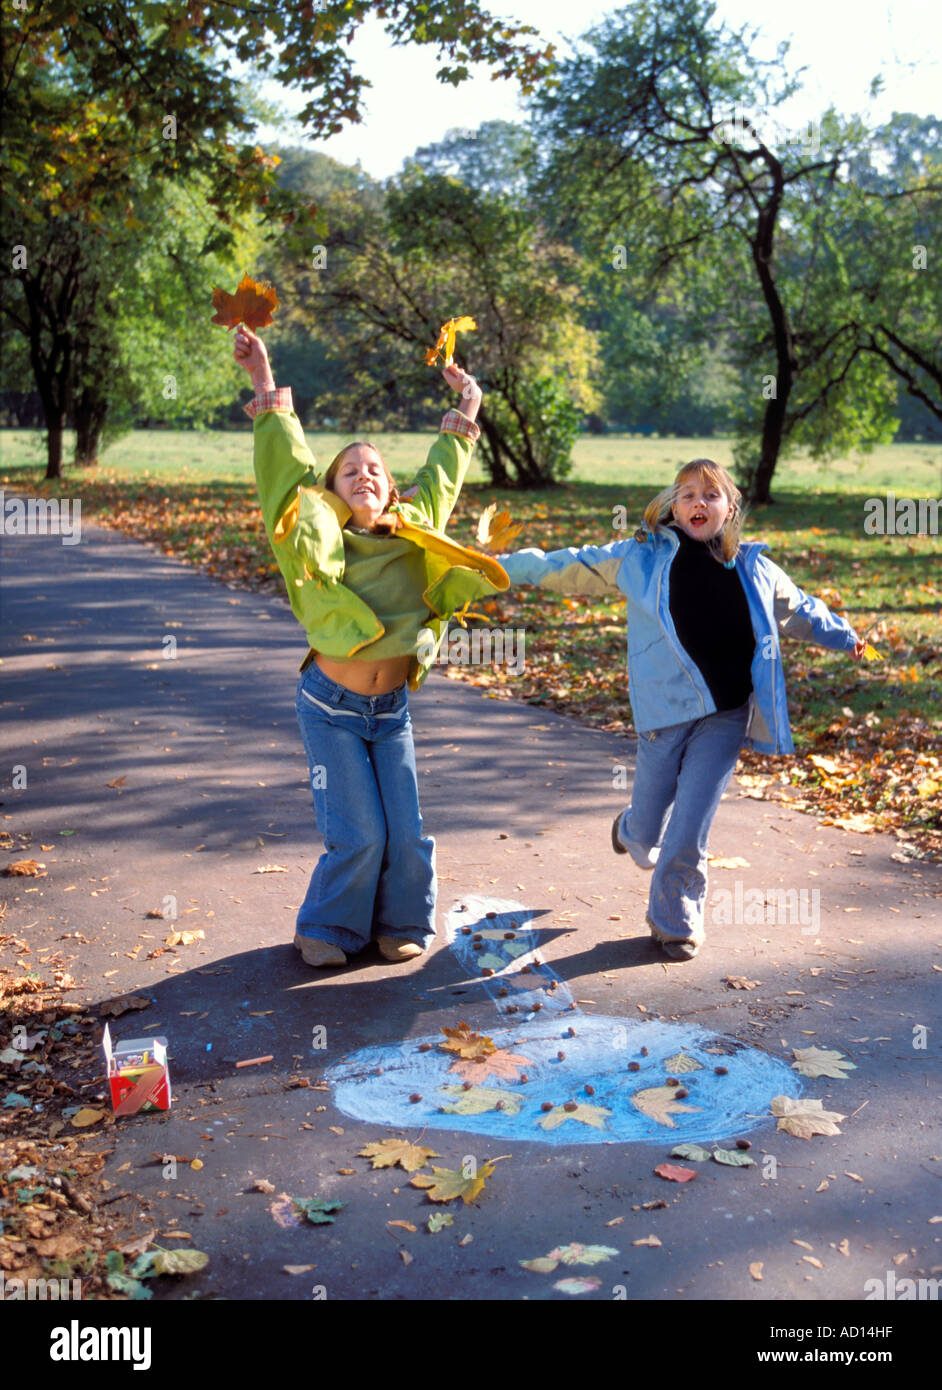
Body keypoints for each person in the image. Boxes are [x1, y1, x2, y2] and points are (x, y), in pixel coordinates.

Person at [499, 459, 866, 961]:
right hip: (663, 712)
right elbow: (565, 565)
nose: (699, 502)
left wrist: (846, 636)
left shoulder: (755, 569)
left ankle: (675, 922)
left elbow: (800, 610)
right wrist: (498, 568)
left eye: (711, 495)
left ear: (730, 508)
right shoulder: (640, 557)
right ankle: (630, 828)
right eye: (688, 493)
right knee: (647, 830)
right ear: (673, 506)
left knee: (691, 823)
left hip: (726, 715)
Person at [235, 325, 507, 968]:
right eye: (349, 470)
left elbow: (443, 475)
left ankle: (401, 922)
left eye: (375, 469)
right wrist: (264, 382)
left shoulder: (415, 528)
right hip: (328, 707)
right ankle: (327, 928)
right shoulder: (314, 532)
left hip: (391, 712)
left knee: (405, 833)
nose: (364, 475)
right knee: (359, 833)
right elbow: (284, 472)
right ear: (331, 489)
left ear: (391, 488)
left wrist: (468, 406)